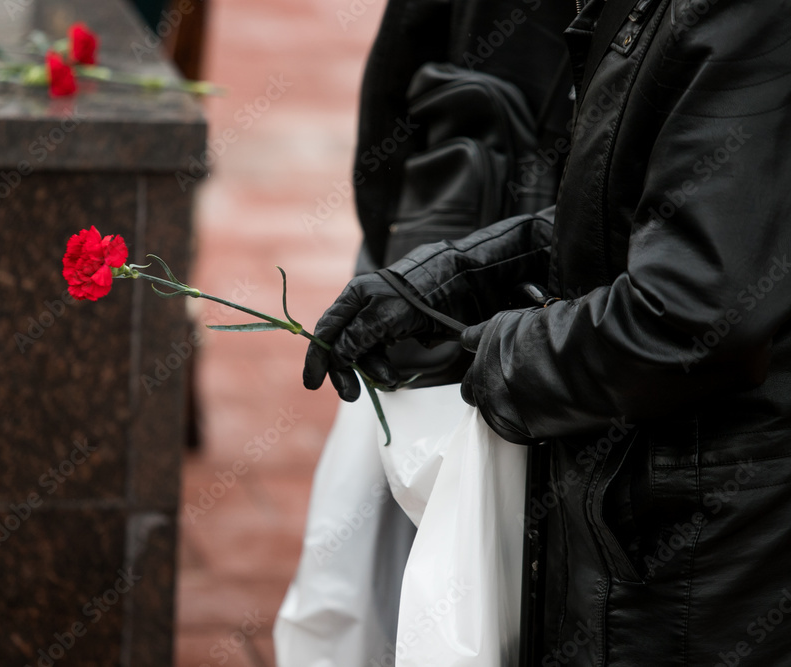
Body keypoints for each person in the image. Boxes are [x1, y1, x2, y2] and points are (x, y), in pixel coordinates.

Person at [303, 0, 791, 664]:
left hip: (702, 546)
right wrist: (456, 274)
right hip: (633, 515)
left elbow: (693, 314)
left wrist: (497, 354)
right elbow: (621, 217)